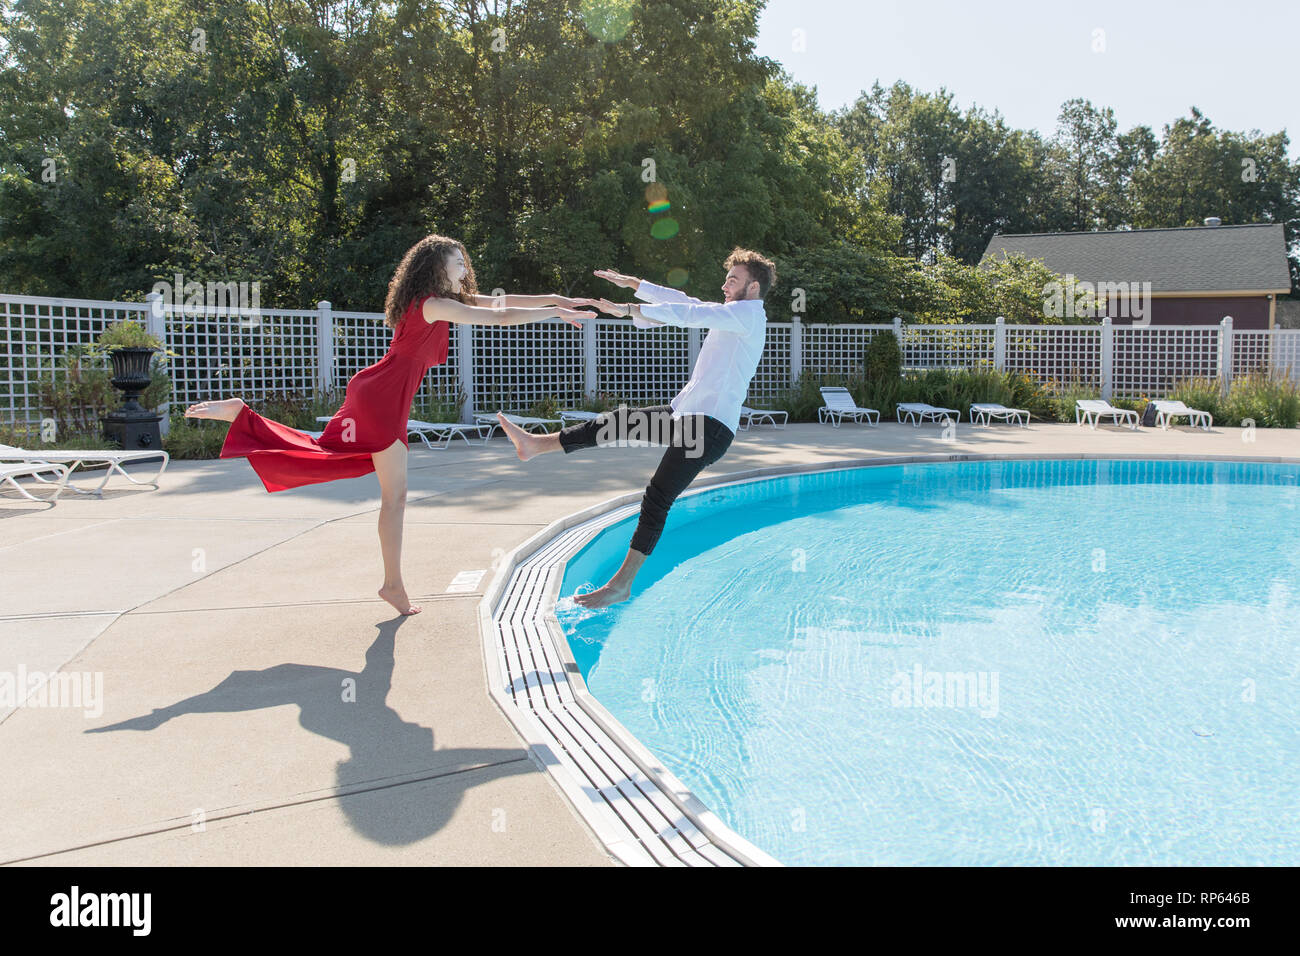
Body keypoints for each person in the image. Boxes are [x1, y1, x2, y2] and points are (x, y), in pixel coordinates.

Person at [184, 235, 594, 616]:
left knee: (342, 462)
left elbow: (499, 302)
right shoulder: (433, 304)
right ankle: (392, 584)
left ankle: (392, 583)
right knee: (391, 495)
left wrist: (555, 298)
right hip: (383, 398)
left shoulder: (427, 300)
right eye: (458, 264)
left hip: (377, 390)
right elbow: (495, 317)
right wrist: (553, 312)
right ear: (438, 267)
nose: (465, 271)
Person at [495, 248, 775, 608]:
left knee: (658, 496)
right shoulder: (735, 314)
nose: (724, 284)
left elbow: (690, 312)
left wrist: (629, 309)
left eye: (732, 280)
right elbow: (685, 301)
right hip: (688, 417)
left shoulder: (747, 316)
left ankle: (621, 585)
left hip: (708, 428)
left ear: (752, 288)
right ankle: (536, 445)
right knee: (620, 422)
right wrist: (636, 285)